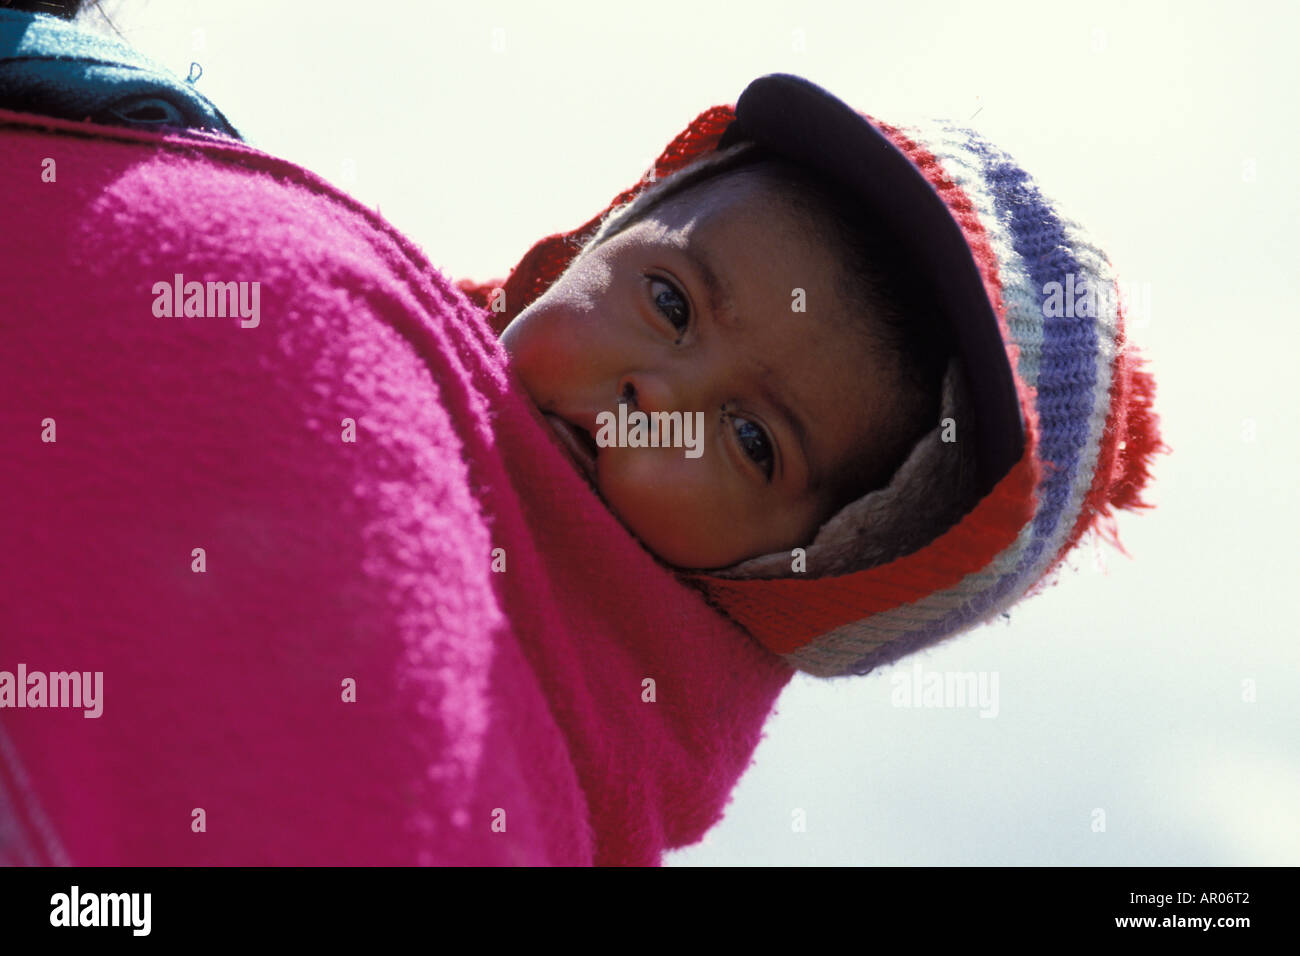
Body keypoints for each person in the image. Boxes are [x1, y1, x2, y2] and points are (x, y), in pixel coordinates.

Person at [0, 4, 1165, 865]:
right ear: (588, 242)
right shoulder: (372, 317)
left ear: (793, 582)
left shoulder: (521, 780)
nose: (646, 397)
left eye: (754, 440)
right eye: (668, 300)